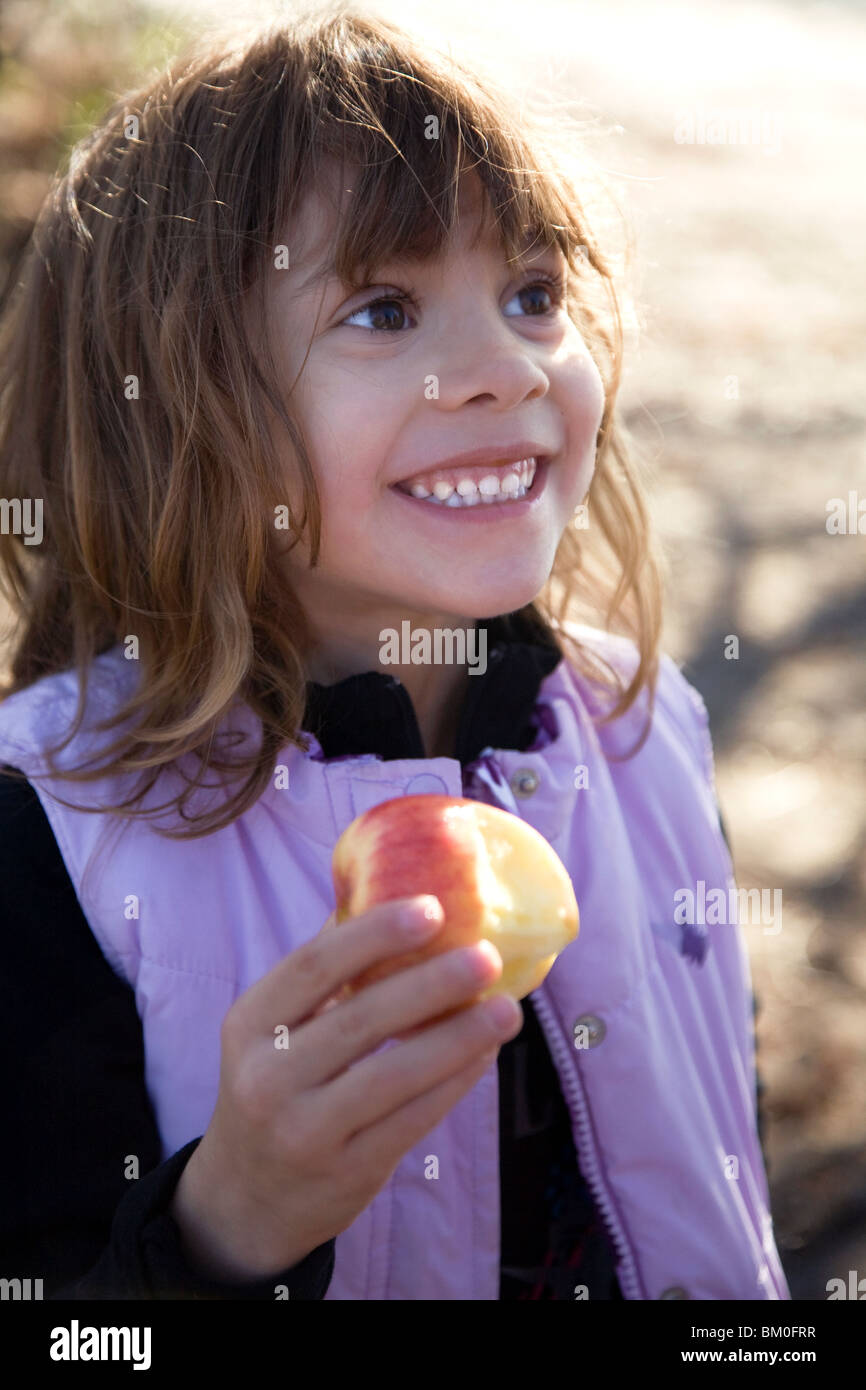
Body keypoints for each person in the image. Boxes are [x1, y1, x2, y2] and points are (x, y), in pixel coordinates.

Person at [0, 7, 789, 1300]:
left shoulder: (639, 726)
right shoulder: (58, 829)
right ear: (170, 401)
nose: (499, 368)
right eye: (381, 309)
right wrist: (223, 1226)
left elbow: (717, 1138)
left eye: (533, 293)